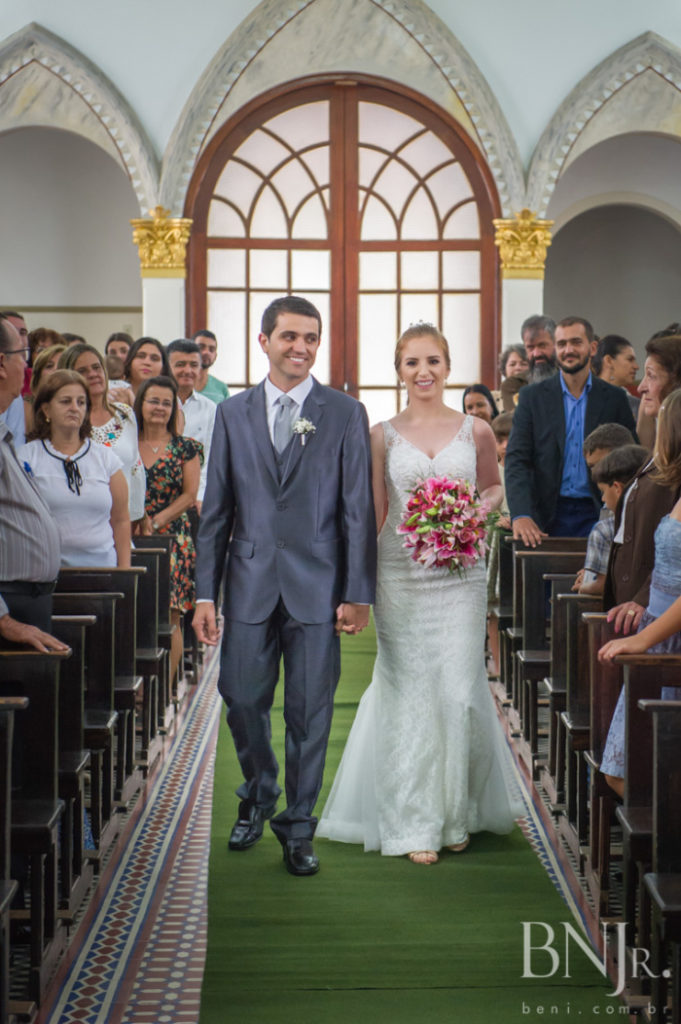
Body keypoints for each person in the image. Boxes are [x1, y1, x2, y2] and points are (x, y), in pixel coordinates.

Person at [317, 323, 523, 864]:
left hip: (460, 576)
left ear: (448, 367)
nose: (423, 371)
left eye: (433, 361)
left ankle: (456, 814)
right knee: (409, 690)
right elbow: (373, 514)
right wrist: (358, 587)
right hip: (401, 572)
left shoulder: (475, 430)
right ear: (399, 371)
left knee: (457, 688)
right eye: (412, 363)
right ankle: (412, 820)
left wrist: (469, 514)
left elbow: (495, 488)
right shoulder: (381, 435)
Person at [193, 295, 376, 877]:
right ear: (264, 341)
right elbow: (217, 512)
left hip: (318, 587)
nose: (301, 347)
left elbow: (356, 510)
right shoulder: (234, 414)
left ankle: (298, 826)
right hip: (247, 582)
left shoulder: (344, 412)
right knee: (242, 700)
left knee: (309, 712)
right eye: (290, 336)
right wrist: (204, 592)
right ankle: (260, 788)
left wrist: (358, 591)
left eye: (312, 337)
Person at [598, 388, 681, 797]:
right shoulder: (668, 479)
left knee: (641, 769)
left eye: (662, 420)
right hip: (658, 629)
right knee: (623, 769)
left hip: (669, 636)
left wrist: (644, 639)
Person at [505, 316, 637, 547]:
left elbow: (629, 459)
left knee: (597, 583)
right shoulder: (531, 398)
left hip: (600, 511)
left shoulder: (614, 398)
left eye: (576, 342)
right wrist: (521, 514)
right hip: (545, 516)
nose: (568, 350)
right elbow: (517, 460)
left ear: (592, 347)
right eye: (562, 344)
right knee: (546, 583)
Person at [603, 331, 681, 634]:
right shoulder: (658, 452)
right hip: (633, 611)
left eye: (651, 376)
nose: (642, 386)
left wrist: (643, 598)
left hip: (655, 615)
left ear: (675, 384)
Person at [18, 370, 131, 570]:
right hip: (45, 575)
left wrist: (125, 573)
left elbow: (121, 520)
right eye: (65, 401)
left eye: (81, 402)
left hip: (102, 572)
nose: (74, 408)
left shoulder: (106, 459)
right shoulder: (26, 458)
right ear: (46, 410)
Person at [0, 316, 66, 651]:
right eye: (22, 356)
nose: (26, 368)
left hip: (26, 596)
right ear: (1, 363)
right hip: (10, 603)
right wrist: (4, 619)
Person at [134, 375, 202, 686]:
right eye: (153, 401)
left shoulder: (186, 448)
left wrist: (156, 521)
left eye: (166, 403)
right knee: (136, 614)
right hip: (131, 533)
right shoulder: (127, 444)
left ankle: (164, 687)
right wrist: (139, 519)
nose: (160, 408)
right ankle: (136, 686)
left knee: (171, 614)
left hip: (174, 537)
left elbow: (189, 496)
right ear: (141, 404)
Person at [60, 343, 147, 525]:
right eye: (83, 371)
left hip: (122, 521)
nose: (93, 374)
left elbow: (134, 467)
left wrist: (138, 514)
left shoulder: (124, 413)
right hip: (80, 522)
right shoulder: (66, 420)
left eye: (96, 367)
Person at [572, 445, 649, 596]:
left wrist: (584, 587)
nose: (603, 498)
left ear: (617, 488)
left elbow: (602, 586)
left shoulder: (603, 530)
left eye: (603, 491)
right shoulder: (657, 520)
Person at [167, 338, 216, 511]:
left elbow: (210, 457)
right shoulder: (157, 404)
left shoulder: (210, 408)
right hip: (159, 493)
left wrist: (199, 496)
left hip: (196, 498)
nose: (188, 371)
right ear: (168, 367)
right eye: (180, 364)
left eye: (194, 365)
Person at [592, 334, 640, 418]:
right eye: (630, 359)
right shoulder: (584, 399)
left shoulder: (635, 405)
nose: (636, 366)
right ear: (609, 360)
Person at [193, 329, 230, 404]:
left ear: (215, 356)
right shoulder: (179, 383)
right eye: (201, 347)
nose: (206, 352)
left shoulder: (221, 388)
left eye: (211, 349)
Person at [521, 314, 557, 383]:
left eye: (542, 345)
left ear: (555, 344)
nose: (536, 354)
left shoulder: (570, 379)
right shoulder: (515, 383)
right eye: (530, 347)